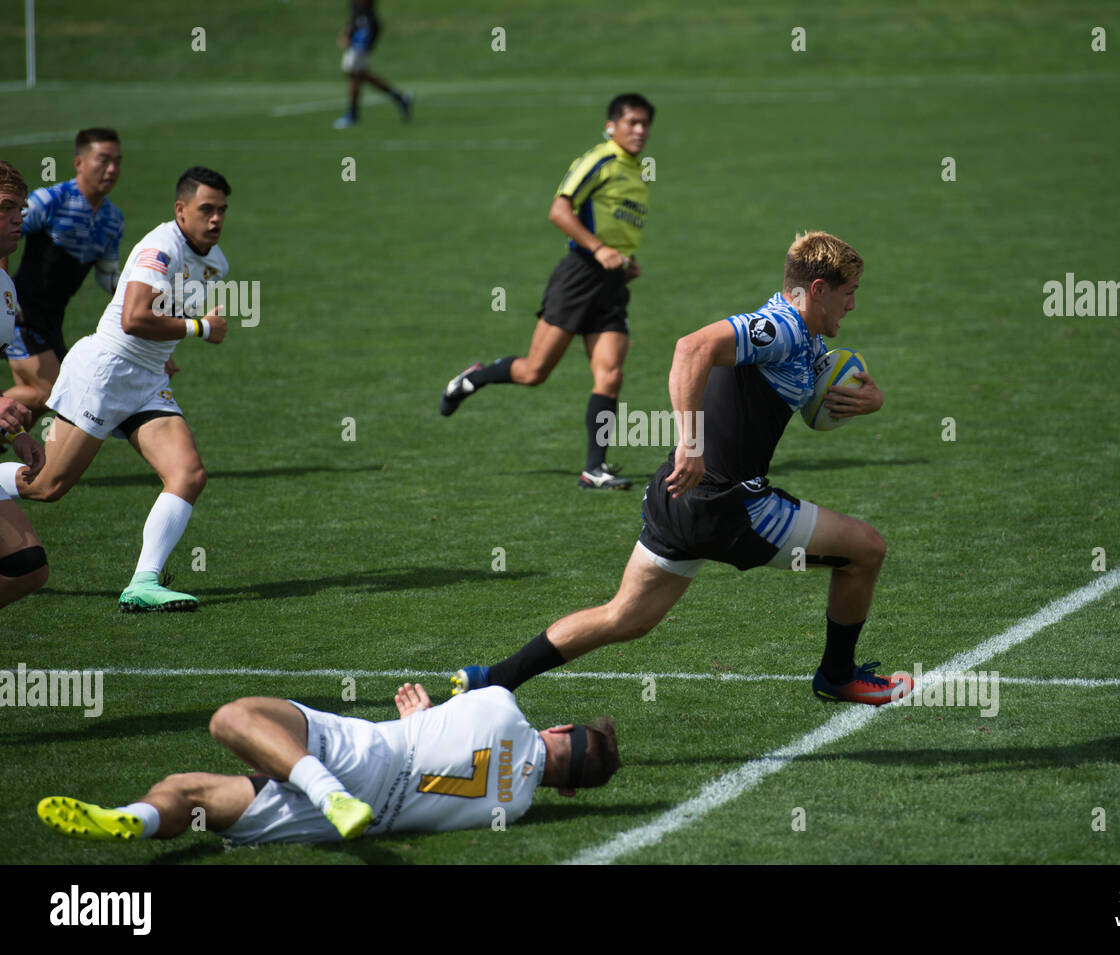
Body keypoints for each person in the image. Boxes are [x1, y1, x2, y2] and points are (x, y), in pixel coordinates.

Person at [452, 232, 915, 706]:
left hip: (680, 497)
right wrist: (690, 442)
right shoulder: (781, 328)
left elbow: (807, 404)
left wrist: (869, 401)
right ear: (818, 289)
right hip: (729, 503)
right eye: (849, 292)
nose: (853, 305)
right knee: (866, 550)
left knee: (625, 619)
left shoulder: (806, 339)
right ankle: (838, 676)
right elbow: (690, 348)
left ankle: (492, 678)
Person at [0, 167, 232, 613]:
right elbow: (132, 318)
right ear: (181, 211)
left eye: (222, 209)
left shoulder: (215, 263)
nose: (216, 218)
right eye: (206, 209)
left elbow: (159, 318)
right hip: (105, 374)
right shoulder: (160, 248)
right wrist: (200, 327)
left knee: (188, 474)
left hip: (145, 382)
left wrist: (164, 351)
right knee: (47, 486)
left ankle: (144, 583)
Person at [37, 682, 619, 844]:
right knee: (189, 795)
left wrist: (426, 715)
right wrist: (429, 721)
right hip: (363, 822)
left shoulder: (501, 704)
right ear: (566, 792)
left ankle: (322, 790)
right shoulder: (513, 809)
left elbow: (450, 732)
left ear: (560, 728)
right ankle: (130, 819)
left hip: (363, 757)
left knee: (232, 720)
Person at [439, 93, 655, 491]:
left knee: (610, 374)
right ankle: (475, 378)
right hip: (577, 277)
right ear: (611, 125)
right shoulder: (599, 161)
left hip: (611, 284)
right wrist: (599, 249)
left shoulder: (639, 171)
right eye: (632, 123)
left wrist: (625, 260)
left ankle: (595, 469)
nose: (640, 130)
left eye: (645, 124)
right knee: (535, 372)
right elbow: (559, 210)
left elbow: (616, 226)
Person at [2, 129, 124, 421]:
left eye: (117, 161)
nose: (111, 169)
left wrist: (145, 296)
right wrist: (5, 300)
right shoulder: (51, 200)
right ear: (79, 163)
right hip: (22, 313)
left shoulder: (112, 219)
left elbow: (108, 277)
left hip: (53, 320)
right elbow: (3, 235)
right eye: (103, 160)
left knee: (48, 400)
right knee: (52, 392)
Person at [0, 161, 50, 608]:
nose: (19, 217)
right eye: (6, 207)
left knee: (28, 564)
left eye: (21, 207)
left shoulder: (4, 289)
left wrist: (14, 432)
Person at [333, 0, 413, 129]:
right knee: (358, 74)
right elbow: (355, 13)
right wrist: (349, 30)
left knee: (354, 73)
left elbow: (363, 8)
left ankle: (352, 115)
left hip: (365, 30)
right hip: (360, 27)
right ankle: (400, 97)